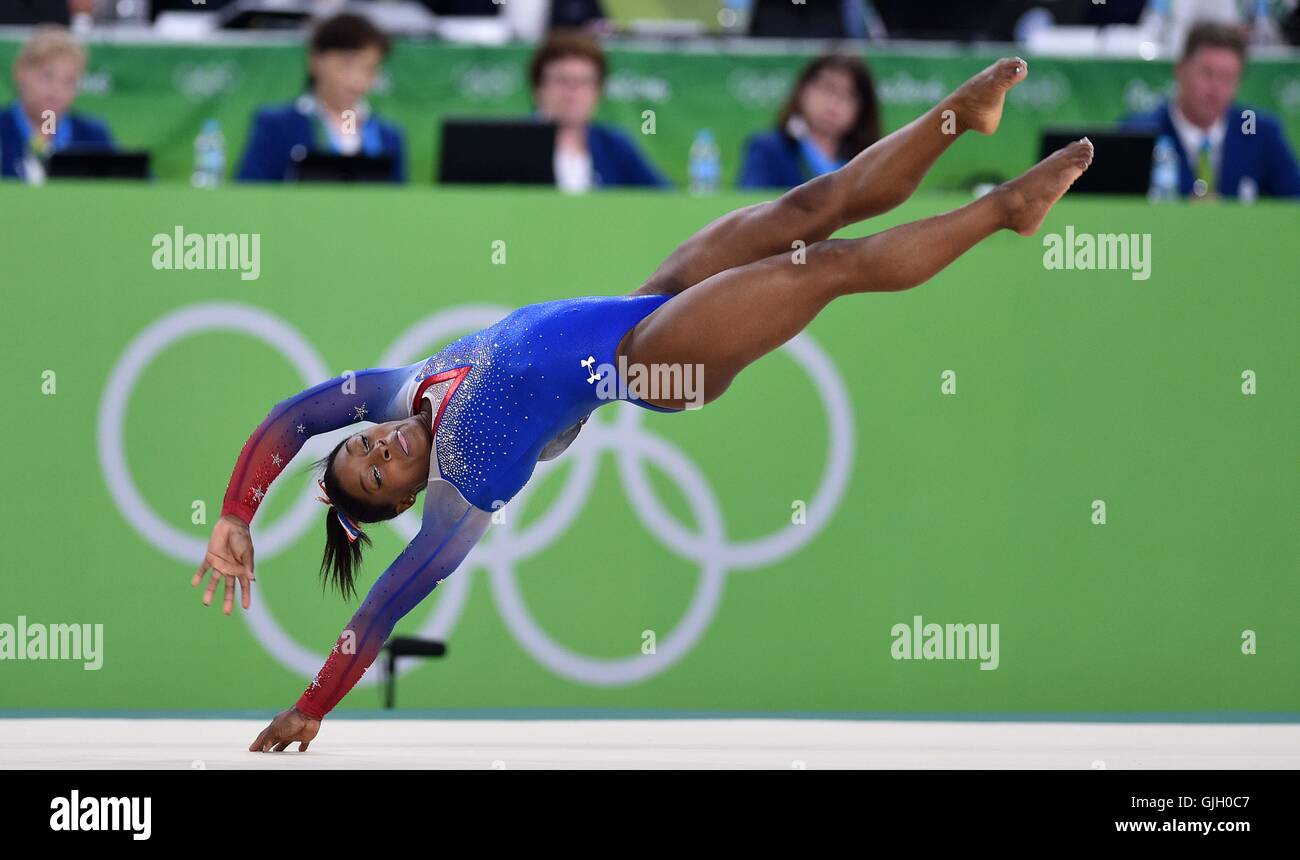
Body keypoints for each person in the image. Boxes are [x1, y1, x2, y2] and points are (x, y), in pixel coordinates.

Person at [193, 58, 1093, 752]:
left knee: (810, 205)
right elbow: (382, 608)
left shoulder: (402, 387)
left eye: (363, 448)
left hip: (643, 305)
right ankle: (1004, 210)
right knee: (826, 267)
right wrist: (315, 704)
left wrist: (238, 513)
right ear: (403, 500)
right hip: (656, 363)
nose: (380, 446)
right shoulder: (461, 494)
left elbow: (296, 415)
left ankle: (959, 114)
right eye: (383, 473)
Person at [1120, 20, 1300, 199]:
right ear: (1181, 70)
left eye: (1227, 78)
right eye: (1207, 73)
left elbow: (1294, 202)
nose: (1215, 89)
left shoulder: (1261, 133)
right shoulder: (1139, 133)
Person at [236, 12, 406, 183]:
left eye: (369, 69)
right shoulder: (277, 126)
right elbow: (250, 192)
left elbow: (399, 203)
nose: (357, 80)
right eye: (347, 65)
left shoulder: (388, 136)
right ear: (315, 60)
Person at [527, 30, 669, 192]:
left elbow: (665, 198)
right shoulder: (516, 144)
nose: (572, 93)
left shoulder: (614, 145)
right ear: (538, 89)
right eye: (562, 80)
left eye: (583, 82)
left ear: (598, 92)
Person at [738, 53, 881, 190]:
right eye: (828, 88)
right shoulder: (769, 149)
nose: (835, 103)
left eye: (849, 95)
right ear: (803, 89)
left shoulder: (868, 158)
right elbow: (751, 207)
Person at [0, 24, 114, 182]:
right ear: (21, 73)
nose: (56, 90)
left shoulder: (93, 136)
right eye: (47, 76)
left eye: (69, 81)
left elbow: (141, 185)